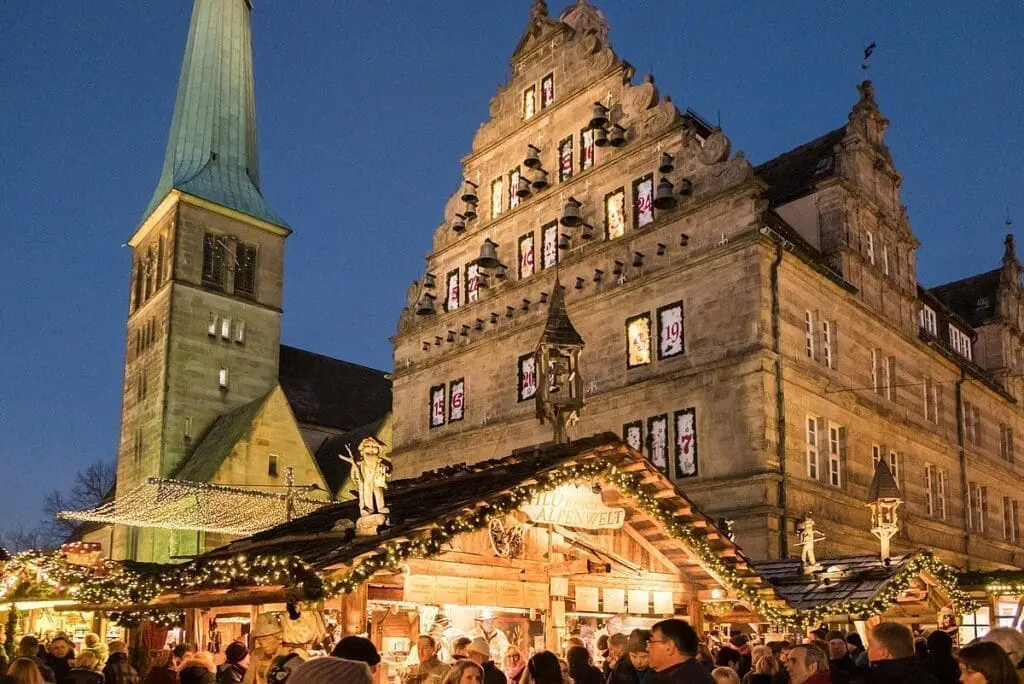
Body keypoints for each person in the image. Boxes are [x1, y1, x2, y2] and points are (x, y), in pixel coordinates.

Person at [646, 618, 715, 684]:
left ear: (669, 647)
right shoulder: (695, 673)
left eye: (651, 642)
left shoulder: (681, 680)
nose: (647, 648)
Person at [865, 623, 936, 684]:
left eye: (870, 646)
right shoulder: (927, 678)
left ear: (883, 652)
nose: (867, 650)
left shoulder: (871, 679)